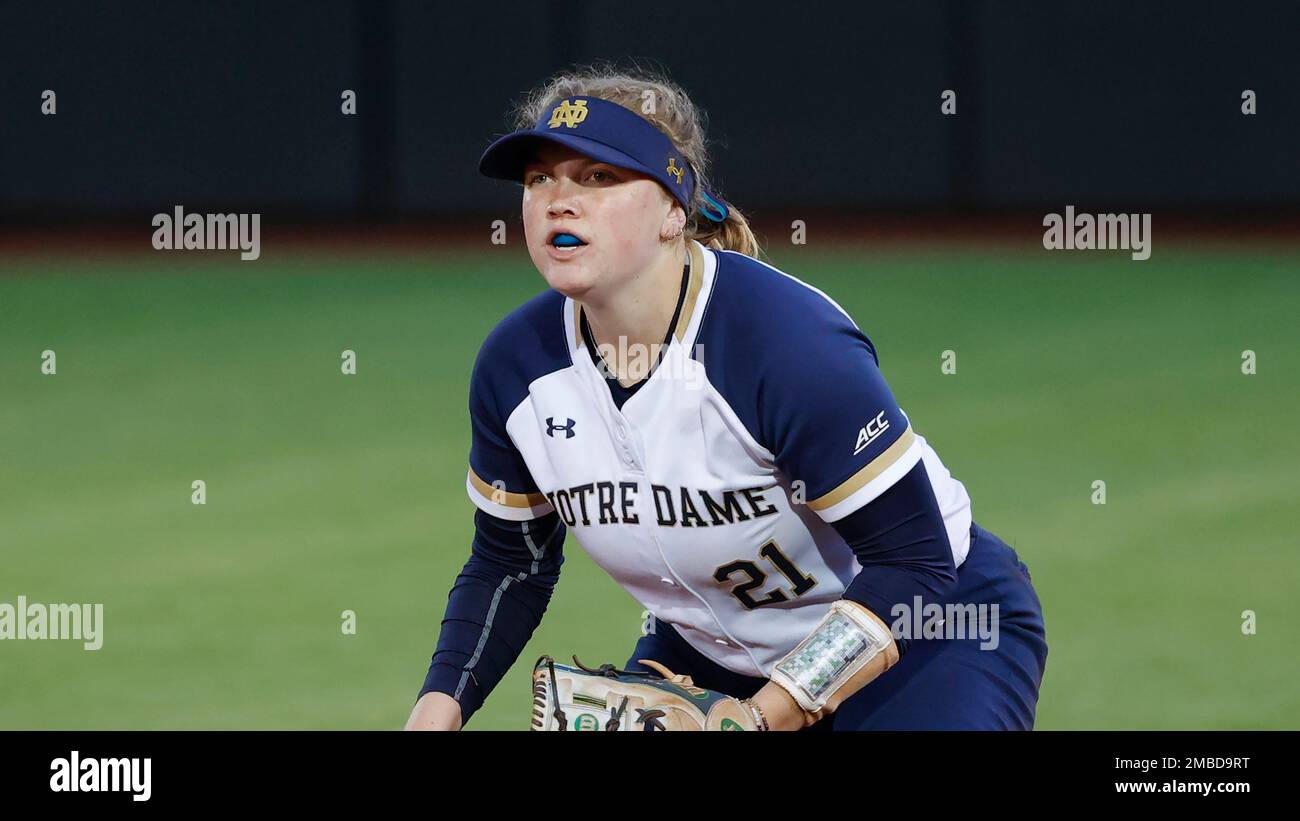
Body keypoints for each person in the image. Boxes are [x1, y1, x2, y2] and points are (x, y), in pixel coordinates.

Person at [405, 65, 1047, 731]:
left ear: (673, 209)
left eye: (599, 177)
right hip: (713, 662)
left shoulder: (783, 345)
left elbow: (914, 559)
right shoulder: (517, 369)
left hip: (928, 631)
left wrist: (762, 716)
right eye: (540, 178)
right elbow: (511, 562)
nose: (559, 201)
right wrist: (438, 710)